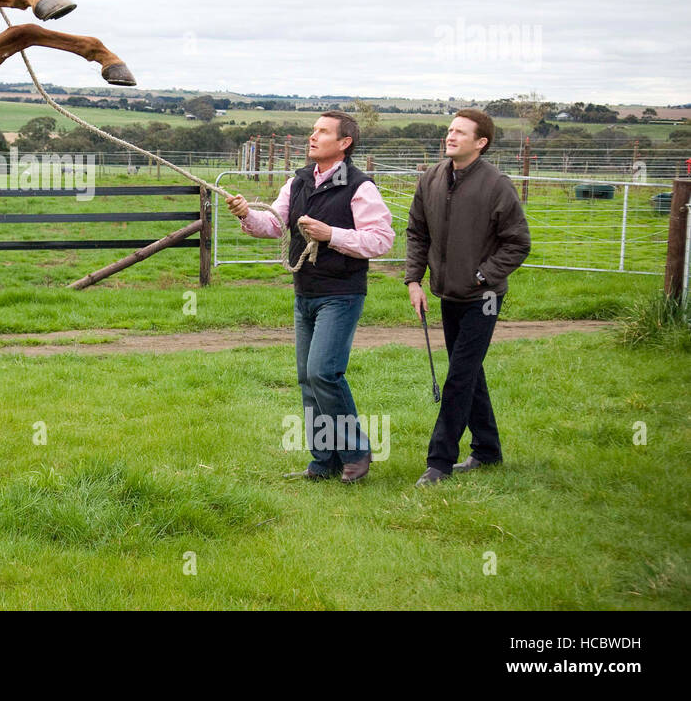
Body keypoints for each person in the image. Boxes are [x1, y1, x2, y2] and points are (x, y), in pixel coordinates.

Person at [227, 112, 395, 483]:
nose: (313, 136)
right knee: (307, 378)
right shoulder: (298, 181)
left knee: (324, 372)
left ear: (344, 142)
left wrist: (330, 234)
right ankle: (323, 462)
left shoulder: (360, 187)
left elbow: (381, 240)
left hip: (342, 293)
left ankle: (356, 451)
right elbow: (272, 224)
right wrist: (246, 214)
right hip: (305, 291)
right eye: (313, 130)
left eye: (322, 131)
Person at [404, 109, 531, 486]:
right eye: (449, 130)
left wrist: (483, 276)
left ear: (481, 142)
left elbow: (518, 242)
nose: (450, 136)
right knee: (469, 370)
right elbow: (416, 232)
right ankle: (488, 450)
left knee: (458, 377)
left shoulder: (496, 185)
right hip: (447, 294)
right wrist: (414, 281)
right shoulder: (431, 178)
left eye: (460, 132)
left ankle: (439, 462)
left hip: (484, 298)